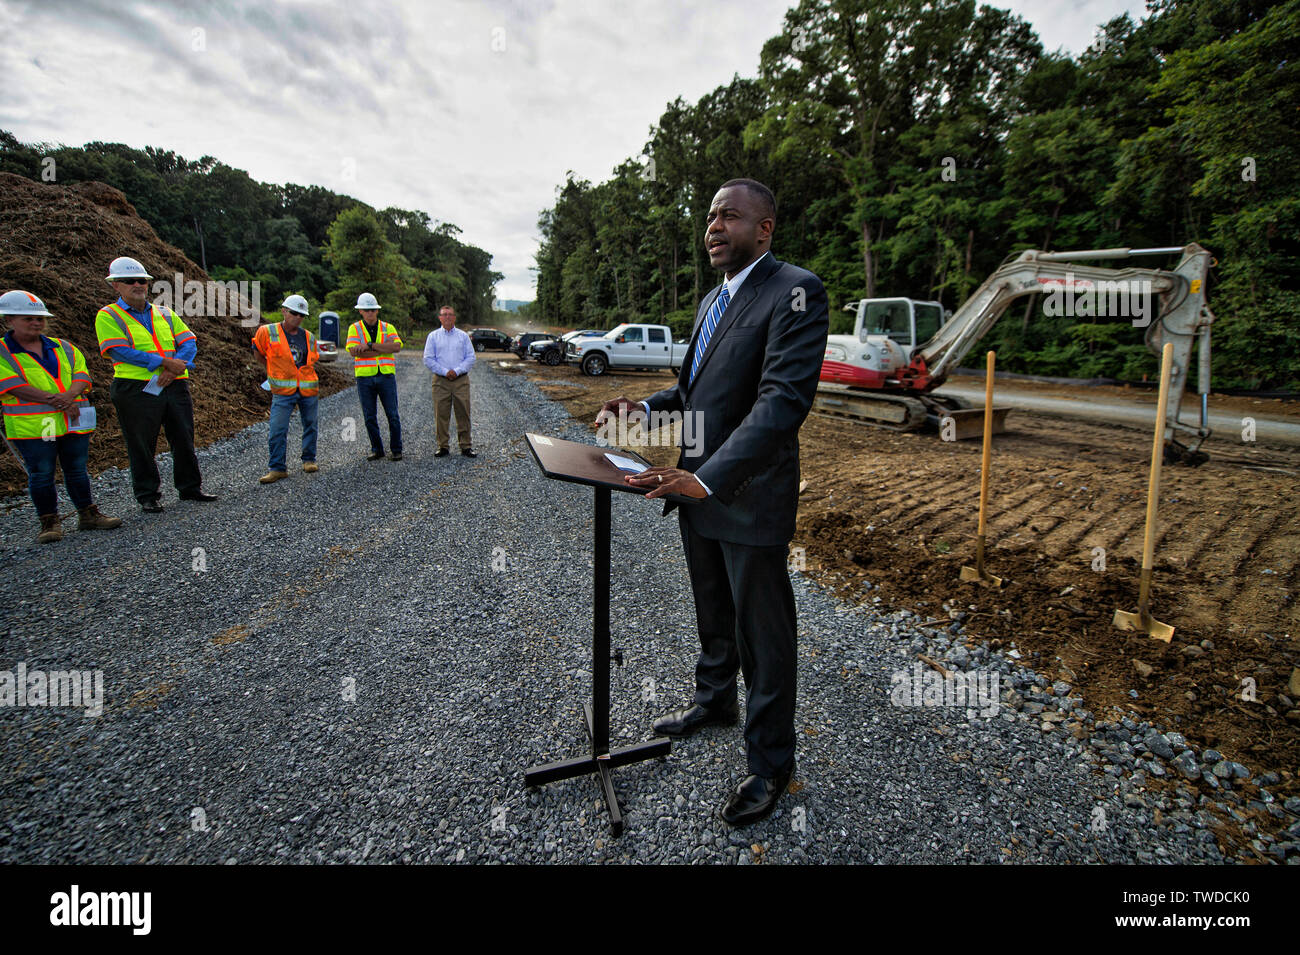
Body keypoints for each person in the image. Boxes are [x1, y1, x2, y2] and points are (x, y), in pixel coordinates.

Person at [595, 179, 828, 827]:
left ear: (766, 228)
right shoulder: (709, 302)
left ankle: (770, 762)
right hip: (696, 491)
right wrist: (642, 408)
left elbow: (780, 403)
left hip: (749, 497)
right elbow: (692, 390)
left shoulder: (797, 290)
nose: (713, 227)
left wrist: (708, 478)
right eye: (708, 217)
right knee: (712, 610)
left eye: (729, 215)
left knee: (765, 635)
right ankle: (714, 699)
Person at [94, 256, 218, 512]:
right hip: (135, 388)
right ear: (116, 285)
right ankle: (148, 495)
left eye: (142, 280)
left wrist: (173, 369)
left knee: (183, 436)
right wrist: (163, 363)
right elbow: (117, 350)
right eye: (130, 281)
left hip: (174, 384)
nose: (138, 285)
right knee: (141, 442)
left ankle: (190, 488)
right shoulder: (108, 315)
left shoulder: (164, 312)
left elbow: (189, 342)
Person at [0, 290, 122, 543]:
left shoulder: (63, 346)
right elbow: (11, 385)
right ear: (9, 319)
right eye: (28, 319)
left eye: (39, 319)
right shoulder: (3, 353)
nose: (36, 323)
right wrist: (55, 400)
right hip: (35, 426)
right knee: (42, 472)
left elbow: (82, 375)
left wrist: (68, 396)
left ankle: (88, 514)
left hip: (72, 420)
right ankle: (49, 522)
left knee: (77, 469)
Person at [252, 294, 320, 483]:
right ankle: (277, 467)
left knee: (311, 425)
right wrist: (271, 370)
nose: (297, 317)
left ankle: (309, 459)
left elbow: (312, 360)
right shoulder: (267, 331)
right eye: (294, 313)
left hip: (307, 389)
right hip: (282, 391)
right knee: (277, 428)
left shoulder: (308, 337)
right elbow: (257, 352)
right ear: (284, 311)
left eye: (301, 315)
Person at [345, 292, 404, 461]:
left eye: (372, 309)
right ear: (360, 311)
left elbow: (396, 347)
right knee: (369, 416)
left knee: (392, 414)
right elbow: (353, 352)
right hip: (364, 377)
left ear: (377, 311)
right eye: (366, 310)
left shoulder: (388, 327)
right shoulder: (354, 328)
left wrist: (369, 346)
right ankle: (377, 448)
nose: (370, 312)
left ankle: (396, 449)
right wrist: (382, 349)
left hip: (386, 375)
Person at [422, 305, 476, 457]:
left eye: (450, 315)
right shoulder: (433, 336)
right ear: (439, 317)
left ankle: (466, 446)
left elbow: (471, 357)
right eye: (444, 315)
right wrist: (446, 372)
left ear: (454, 317)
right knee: (441, 414)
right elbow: (428, 359)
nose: (447, 317)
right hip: (441, 380)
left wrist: (457, 371)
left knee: (463, 413)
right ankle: (443, 446)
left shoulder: (463, 336)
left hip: (460, 380)